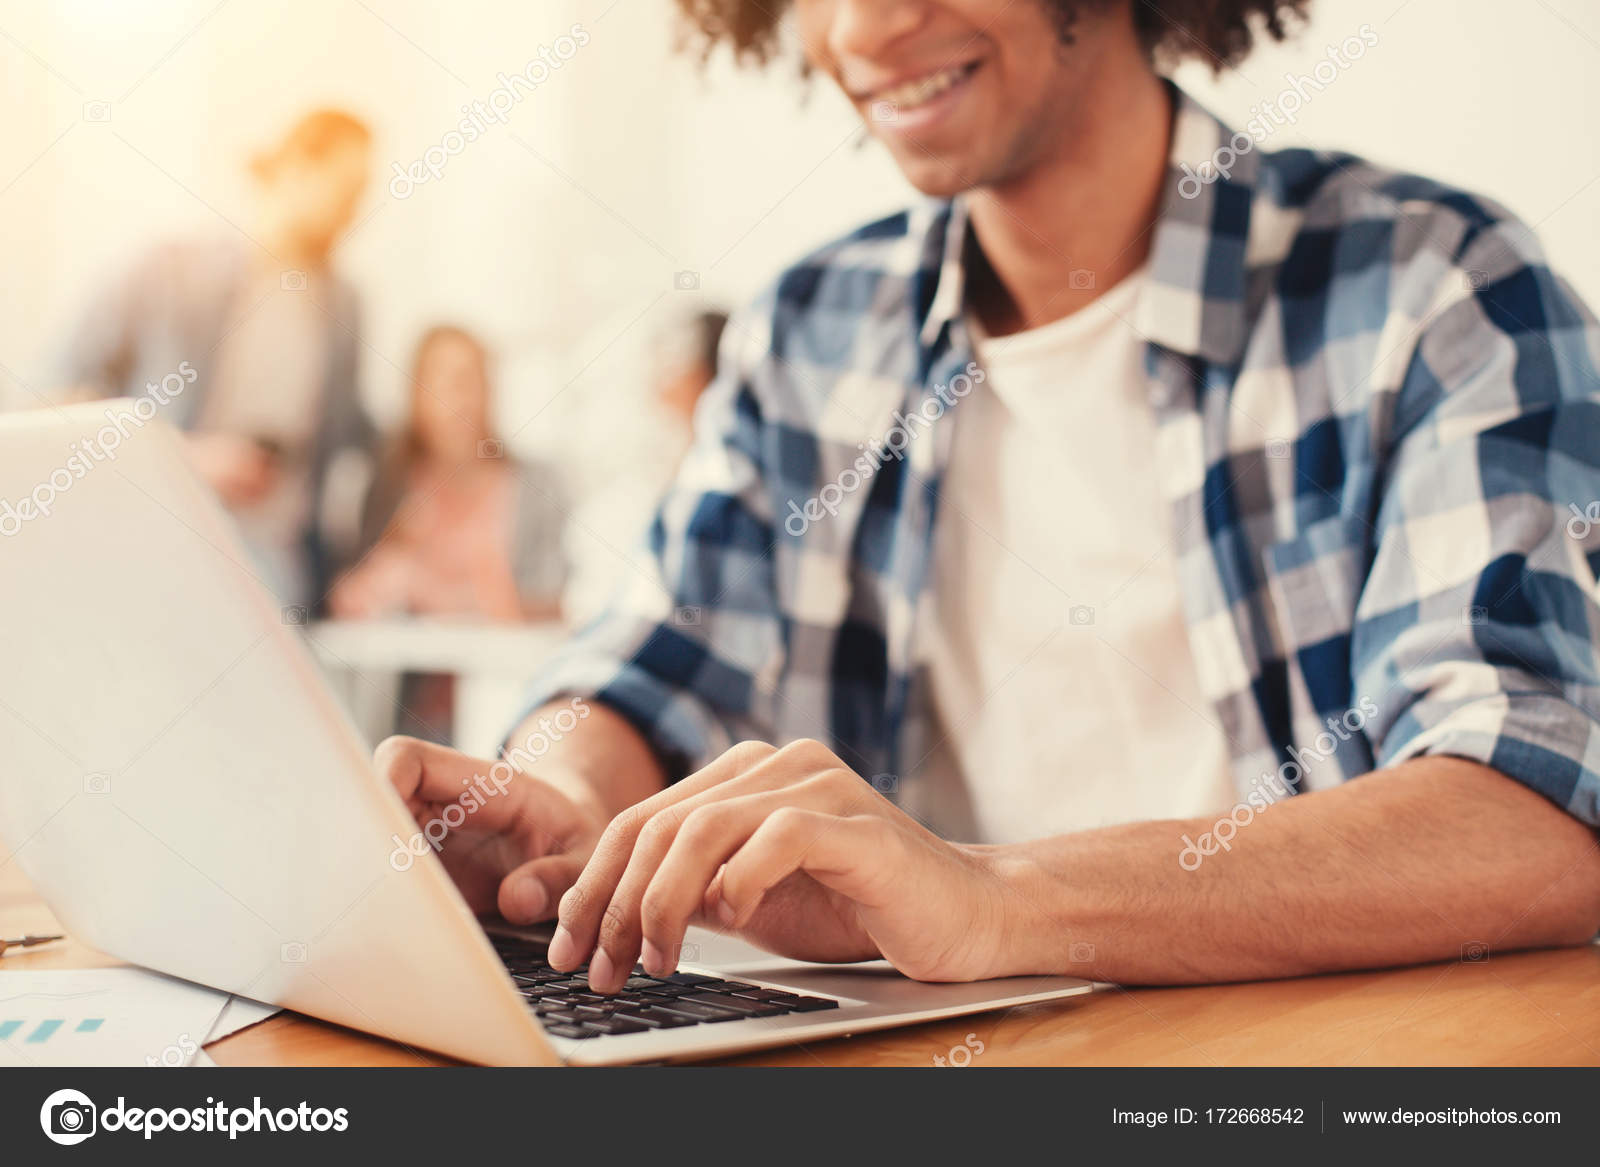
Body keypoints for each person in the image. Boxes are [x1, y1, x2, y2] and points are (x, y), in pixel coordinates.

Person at [375, 0, 1600, 997]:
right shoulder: (814, 328)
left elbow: (1533, 813)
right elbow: (650, 661)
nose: (865, 26)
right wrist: (566, 800)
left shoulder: (1431, 288)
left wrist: (988, 893)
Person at [52, 108, 377, 608]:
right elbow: (65, 391)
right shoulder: (168, 270)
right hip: (165, 537)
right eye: (348, 190)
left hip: (278, 561)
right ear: (295, 166)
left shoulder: (344, 305)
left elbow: (352, 433)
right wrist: (185, 456)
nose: (355, 210)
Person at [330, 324, 569, 624]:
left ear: (489, 390)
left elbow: (554, 606)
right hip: (412, 665)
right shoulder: (391, 484)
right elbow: (348, 598)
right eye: (438, 383)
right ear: (415, 394)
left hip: (506, 666)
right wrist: (373, 588)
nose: (456, 401)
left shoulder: (538, 484)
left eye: (467, 381)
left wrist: (440, 595)